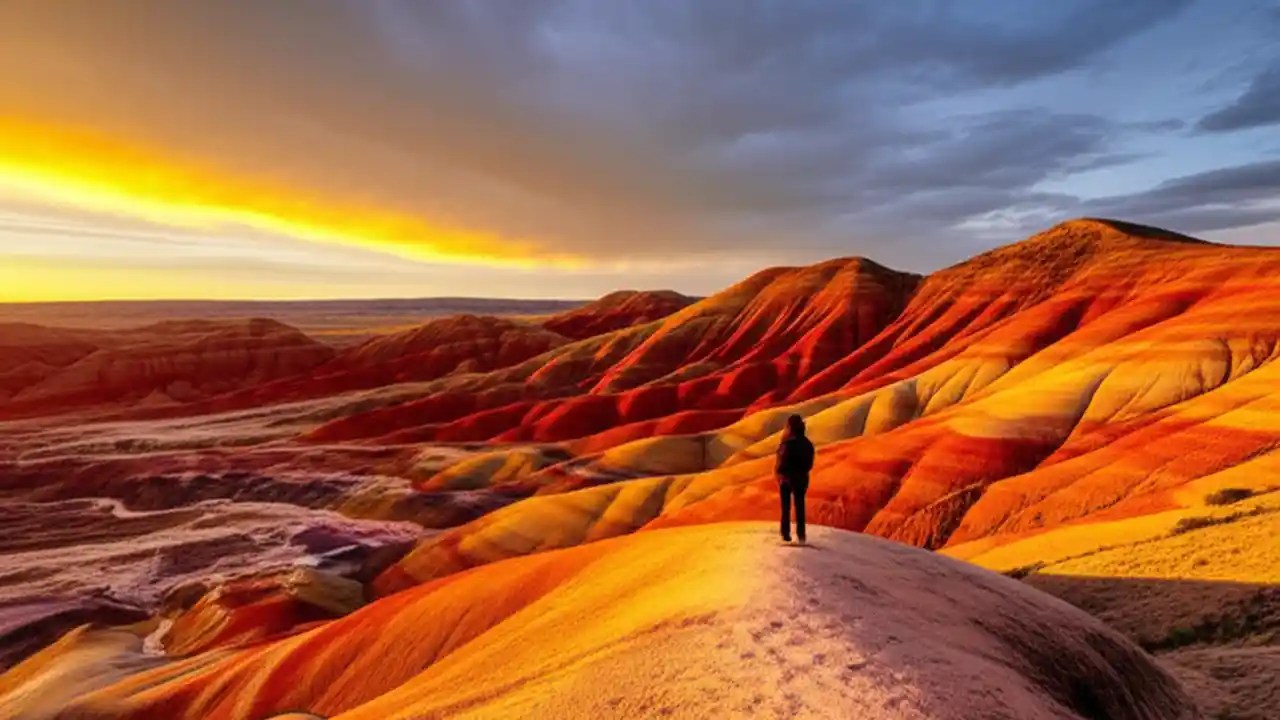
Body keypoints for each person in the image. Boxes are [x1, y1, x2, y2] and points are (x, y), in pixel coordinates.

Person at [774, 413, 814, 543]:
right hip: (802, 479)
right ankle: (801, 535)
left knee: (786, 508)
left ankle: (785, 534)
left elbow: (781, 462)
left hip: (786, 479)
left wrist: (780, 474)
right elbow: (810, 463)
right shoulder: (807, 444)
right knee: (800, 506)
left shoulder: (787, 443)